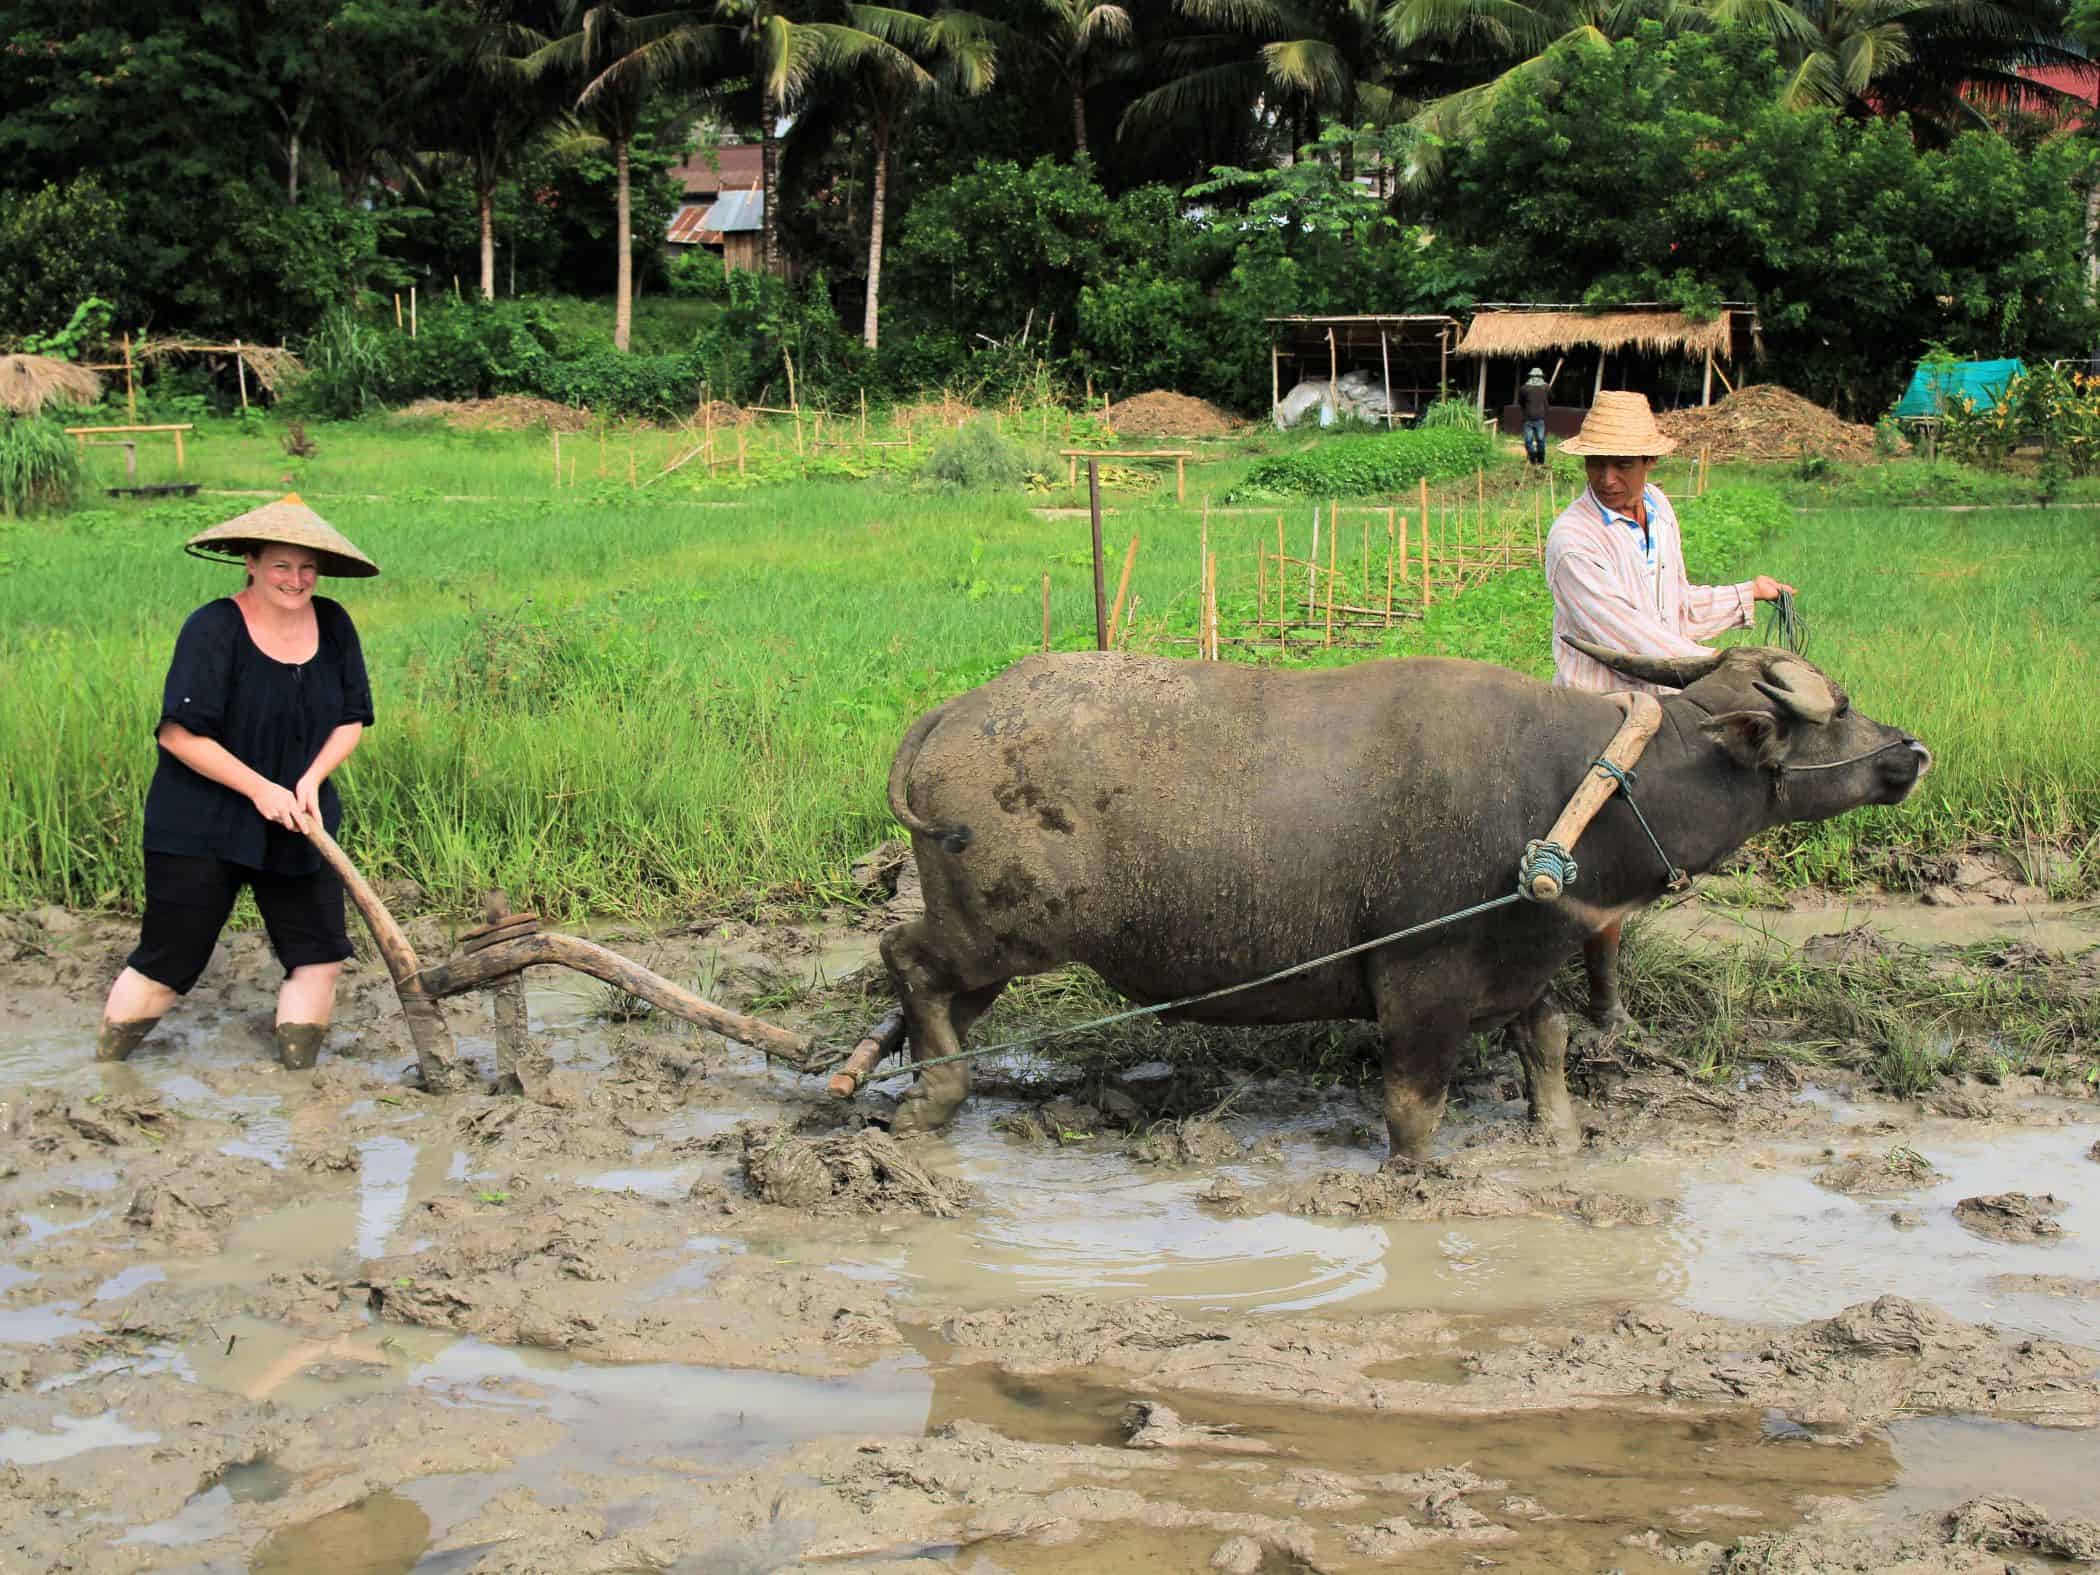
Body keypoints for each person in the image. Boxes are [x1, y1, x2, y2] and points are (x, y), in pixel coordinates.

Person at [97, 495, 378, 1070]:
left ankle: (299, 1085)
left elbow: (352, 718)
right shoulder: (213, 627)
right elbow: (179, 735)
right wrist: (260, 789)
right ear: (250, 562)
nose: (295, 580)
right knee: (167, 965)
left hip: (299, 819)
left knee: (319, 956)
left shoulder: (333, 623)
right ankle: (105, 1072)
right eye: (281, 565)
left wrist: (311, 778)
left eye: (307, 567)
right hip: (201, 822)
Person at [1543, 392, 1795, 1027]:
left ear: (1650, 463)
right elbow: (1631, 641)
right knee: (1606, 854)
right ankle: (1604, 1001)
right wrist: (1729, 670)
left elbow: (1673, 609)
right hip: (1600, 707)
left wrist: (1746, 594)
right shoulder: (1573, 541)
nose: (1608, 478)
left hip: (1661, 701)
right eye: (1596, 463)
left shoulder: (1657, 507)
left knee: (1646, 844)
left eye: (1623, 464)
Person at [1518, 367, 1552, 467]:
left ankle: (1536, 460)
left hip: (1532, 418)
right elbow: (1551, 399)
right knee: (1537, 440)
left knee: (1532, 441)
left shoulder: (1525, 388)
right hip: (1533, 418)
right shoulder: (1545, 387)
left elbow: (1521, 402)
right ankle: (1538, 460)